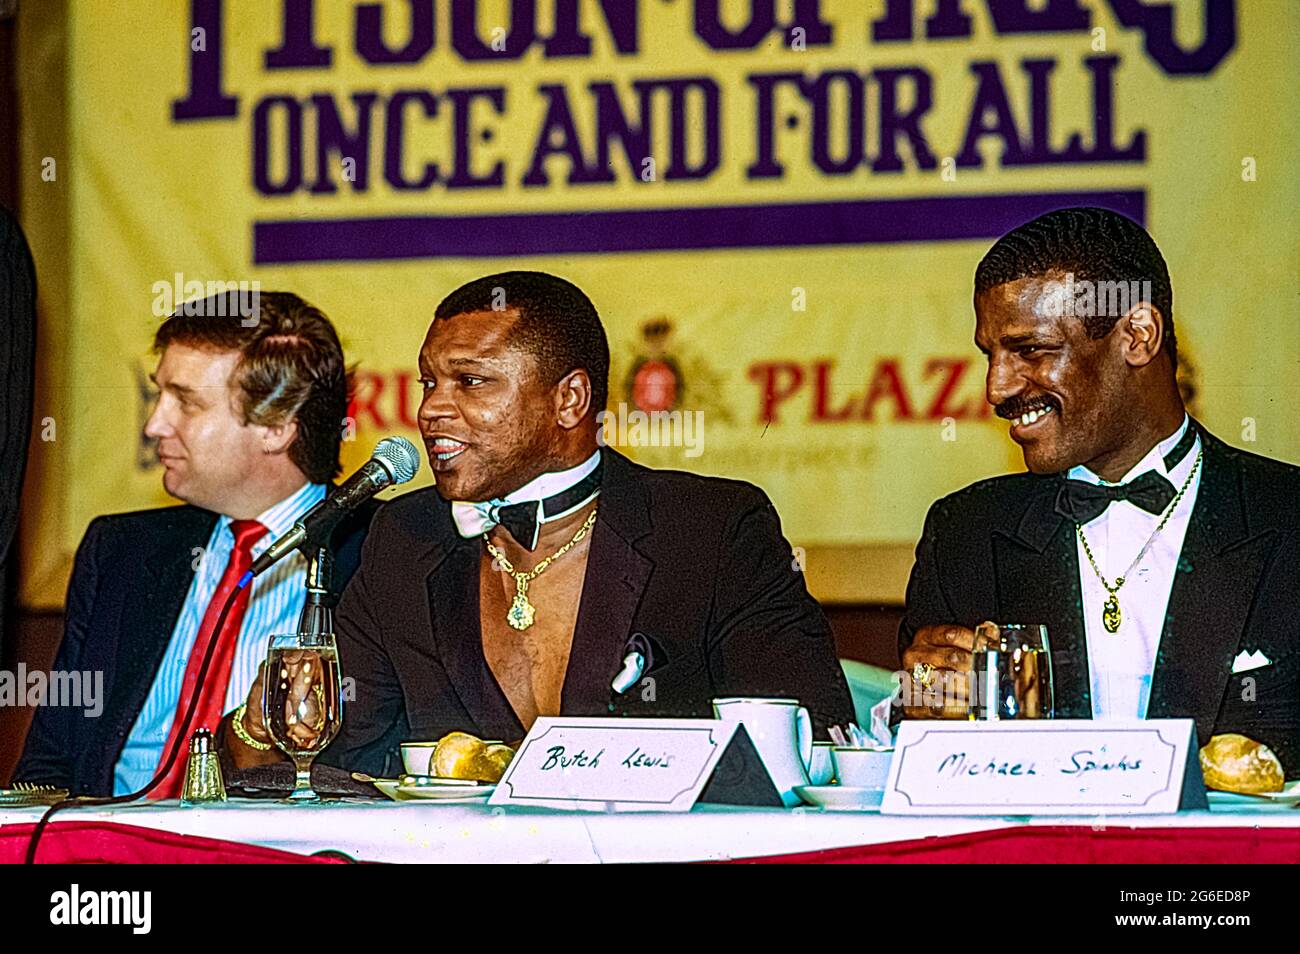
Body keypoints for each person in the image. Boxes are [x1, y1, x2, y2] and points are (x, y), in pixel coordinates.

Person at [229, 271, 853, 777]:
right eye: (429, 381)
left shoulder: (710, 530)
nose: (430, 409)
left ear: (570, 400)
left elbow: (812, 743)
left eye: (470, 382)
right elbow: (325, 766)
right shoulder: (405, 537)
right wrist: (264, 725)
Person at [899, 207, 1300, 774]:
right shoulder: (964, 533)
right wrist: (922, 699)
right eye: (990, 355)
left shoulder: (1286, 519)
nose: (996, 387)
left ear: (1137, 336)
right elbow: (915, 747)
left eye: (1029, 350)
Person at [16, 291, 375, 796]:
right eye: (158, 395)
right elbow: (47, 769)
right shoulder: (121, 552)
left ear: (275, 428)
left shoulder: (384, 556)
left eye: (184, 401)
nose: (153, 424)